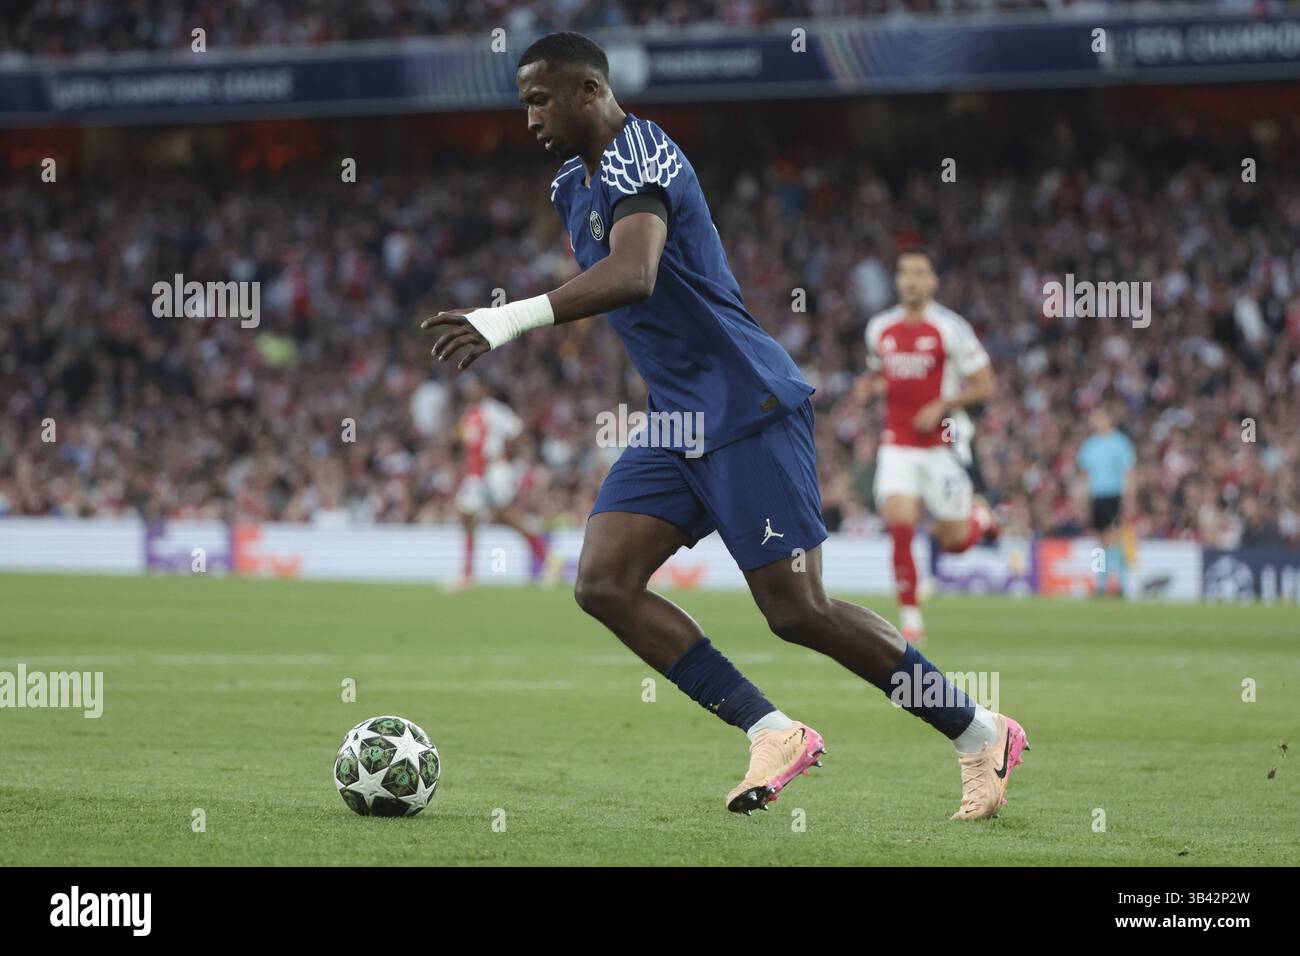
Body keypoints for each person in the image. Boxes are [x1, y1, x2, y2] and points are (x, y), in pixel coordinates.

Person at [422, 32, 1027, 819]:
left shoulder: (644, 153)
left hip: (746, 405)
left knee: (797, 612)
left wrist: (509, 319)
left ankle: (979, 730)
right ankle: (772, 730)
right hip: (678, 423)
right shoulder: (570, 182)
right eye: (523, 101)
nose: (529, 115)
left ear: (589, 92)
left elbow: (636, 272)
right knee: (602, 582)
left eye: (541, 98)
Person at [858, 250, 998, 644]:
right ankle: (910, 618)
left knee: (953, 541)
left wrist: (941, 405)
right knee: (899, 520)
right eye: (905, 272)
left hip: (944, 444)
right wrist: (870, 387)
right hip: (897, 444)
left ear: (933, 281)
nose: (912, 280)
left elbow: (986, 385)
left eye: (920, 272)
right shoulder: (879, 328)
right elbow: (879, 373)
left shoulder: (951, 329)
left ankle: (980, 520)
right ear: (897, 281)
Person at [1076, 407, 1137, 598]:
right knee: (1099, 543)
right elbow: (1086, 476)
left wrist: (1129, 498)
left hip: (1113, 495)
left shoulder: (1119, 443)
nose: (1095, 422)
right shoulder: (1090, 445)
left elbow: (1128, 473)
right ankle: (1100, 584)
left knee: (1114, 540)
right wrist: (1083, 501)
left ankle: (1121, 583)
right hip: (1096, 497)